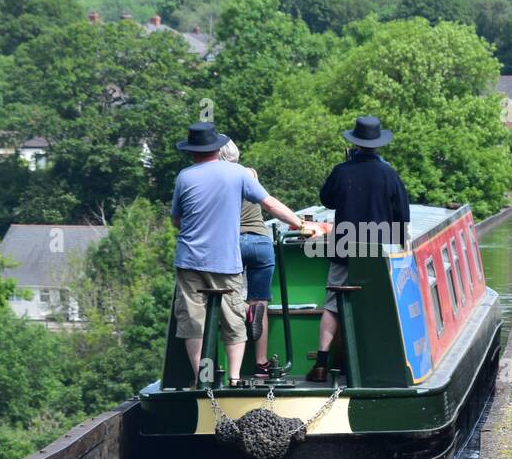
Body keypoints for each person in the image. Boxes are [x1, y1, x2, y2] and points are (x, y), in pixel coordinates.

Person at [170, 122, 318, 385]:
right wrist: (300, 225)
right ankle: (236, 379)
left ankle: (201, 379)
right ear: (216, 148)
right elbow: (270, 203)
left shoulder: (184, 176)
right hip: (225, 261)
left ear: (192, 152)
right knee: (234, 318)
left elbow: (177, 221)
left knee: (194, 322)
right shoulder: (239, 174)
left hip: (189, 260)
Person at [307, 116, 411, 383]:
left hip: (345, 246)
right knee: (377, 303)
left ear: (354, 142)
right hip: (377, 250)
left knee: (332, 305)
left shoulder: (342, 171)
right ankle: (377, 364)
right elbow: (402, 214)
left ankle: (321, 363)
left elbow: (327, 200)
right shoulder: (389, 174)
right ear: (378, 144)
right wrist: (401, 247)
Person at [219, 140, 275, 379]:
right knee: (261, 301)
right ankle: (261, 364)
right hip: (262, 242)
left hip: (235, 243)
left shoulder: (219, 180)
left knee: (229, 300)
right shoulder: (249, 173)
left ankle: (229, 368)